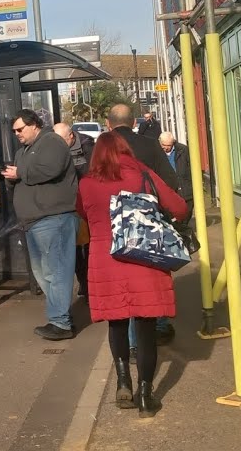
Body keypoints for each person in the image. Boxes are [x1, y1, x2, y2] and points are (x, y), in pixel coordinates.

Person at [76, 132, 188, 417]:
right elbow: (179, 207)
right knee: (146, 329)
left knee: (116, 325)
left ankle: (123, 382)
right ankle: (146, 396)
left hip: (106, 262)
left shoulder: (88, 183)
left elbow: (84, 213)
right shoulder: (143, 175)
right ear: (127, 150)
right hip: (144, 261)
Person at [2, 110, 79, 341]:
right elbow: (22, 179)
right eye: (14, 131)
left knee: (56, 271)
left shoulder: (52, 142)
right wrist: (11, 179)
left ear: (35, 125)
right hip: (34, 221)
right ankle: (61, 314)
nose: (17, 134)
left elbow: (50, 169)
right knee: (42, 272)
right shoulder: (22, 151)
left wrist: (20, 173)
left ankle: (61, 322)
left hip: (53, 218)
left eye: (20, 129)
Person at [109, 104, 180, 345]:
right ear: (134, 123)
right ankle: (159, 325)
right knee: (153, 273)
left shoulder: (104, 148)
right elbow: (170, 181)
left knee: (126, 281)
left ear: (108, 125)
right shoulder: (150, 144)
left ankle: (132, 342)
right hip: (150, 220)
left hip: (116, 221)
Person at [54, 122, 94, 298]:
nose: (59, 145)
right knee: (75, 249)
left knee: (91, 247)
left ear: (71, 136)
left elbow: (93, 173)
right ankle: (84, 284)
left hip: (88, 204)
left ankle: (91, 284)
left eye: (62, 140)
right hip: (68, 205)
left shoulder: (87, 146)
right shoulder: (54, 148)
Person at [158, 132, 193, 204]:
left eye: (169, 145)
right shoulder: (156, 152)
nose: (166, 148)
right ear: (160, 142)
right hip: (167, 189)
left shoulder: (183, 150)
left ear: (173, 142)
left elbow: (191, 167)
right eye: (163, 145)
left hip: (184, 189)